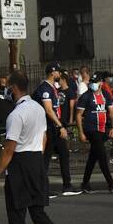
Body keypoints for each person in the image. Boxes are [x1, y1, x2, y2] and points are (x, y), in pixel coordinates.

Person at [0, 72, 79, 224]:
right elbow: (45, 137)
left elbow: (9, 149)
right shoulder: (38, 108)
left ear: (13, 88)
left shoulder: (16, 115)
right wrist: (36, 155)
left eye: (8, 88)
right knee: (38, 214)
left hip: (20, 166)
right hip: (36, 162)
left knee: (16, 219)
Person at [75, 72, 113, 193]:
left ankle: (85, 183)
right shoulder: (86, 96)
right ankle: (111, 184)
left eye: (95, 82)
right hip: (91, 129)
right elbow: (79, 115)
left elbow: (111, 113)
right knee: (102, 156)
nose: (93, 84)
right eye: (91, 82)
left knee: (93, 157)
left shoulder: (106, 95)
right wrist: (80, 132)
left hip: (102, 129)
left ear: (101, 83)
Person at [35, 64, 76, 195]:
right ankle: (43, 189)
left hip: (53, 127)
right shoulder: (45, 88)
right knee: (45, 158)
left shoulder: (52, 88)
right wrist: (60, 126)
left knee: (63, 154)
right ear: (53, 73)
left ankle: (67, 186)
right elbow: (48, 110)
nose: (60, 74)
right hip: (49, 127)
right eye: (58, 72)